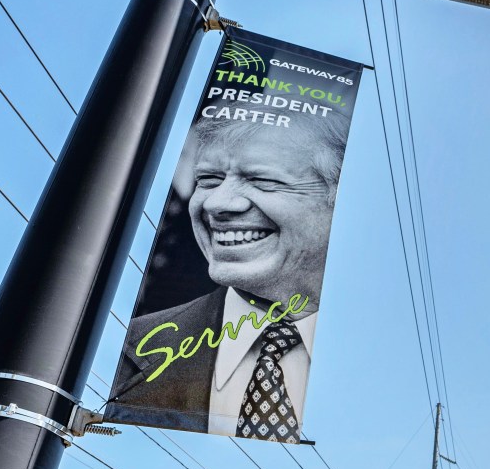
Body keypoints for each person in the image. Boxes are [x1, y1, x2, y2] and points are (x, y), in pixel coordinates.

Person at [107, 109, 350, 440]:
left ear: (336, 200)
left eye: (262, 180)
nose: (216, 203)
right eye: (208, 180)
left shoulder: (388, 370)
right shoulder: (123, 352)